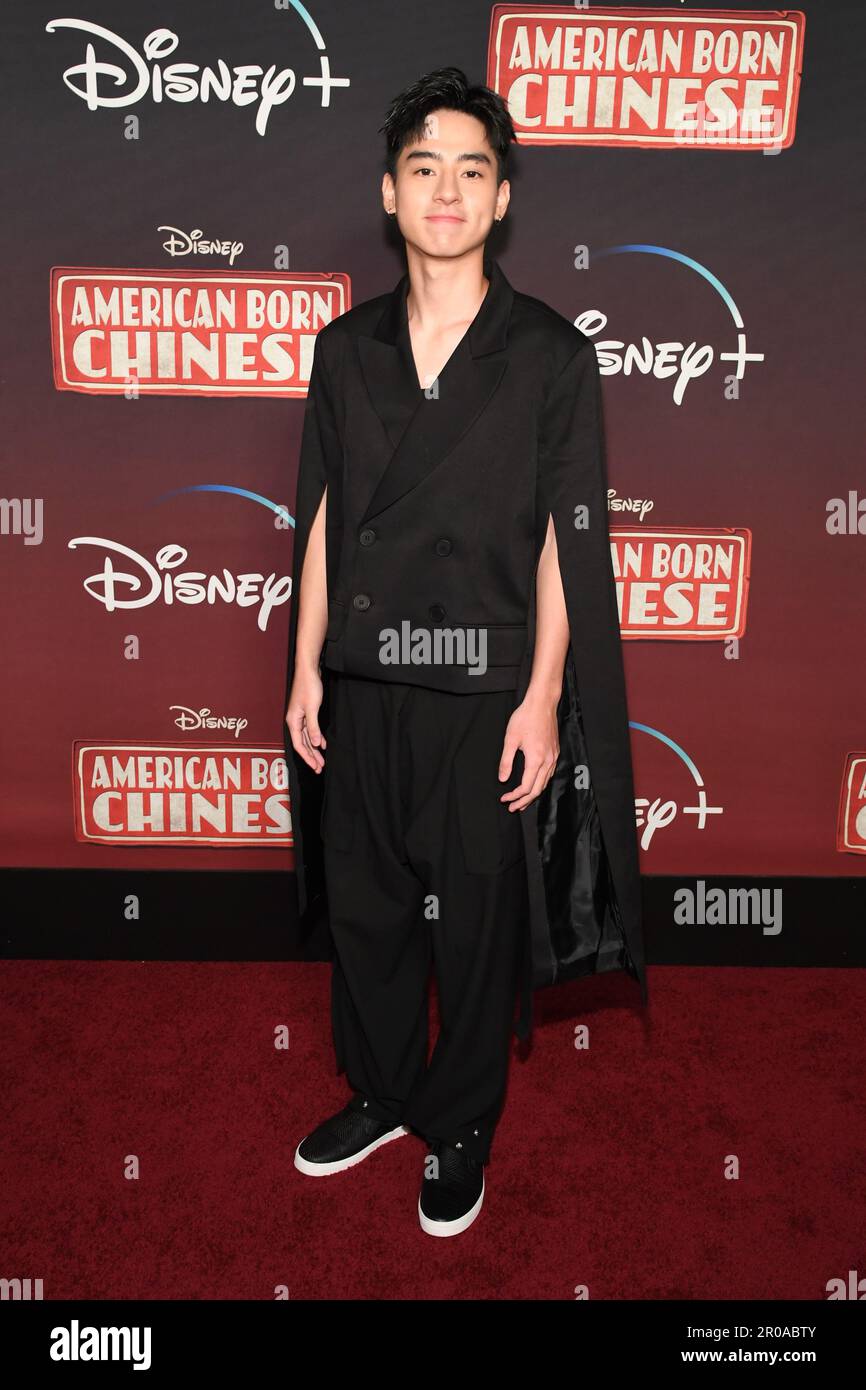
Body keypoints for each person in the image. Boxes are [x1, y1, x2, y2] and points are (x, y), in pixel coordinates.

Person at [284, 67, 647, 1237]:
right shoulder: (343, 351)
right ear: (390, 194)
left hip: (483, 689)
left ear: (501, 201)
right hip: (362, 681)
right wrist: (304, 667)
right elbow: (328, 518)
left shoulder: (548, 357)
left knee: (478, 924)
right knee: (369, 913)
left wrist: (542, 696)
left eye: (472, 170)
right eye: (424, 167)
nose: (447, 189)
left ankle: (459, 1121)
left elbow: (563, 539)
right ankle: (384, 1090)